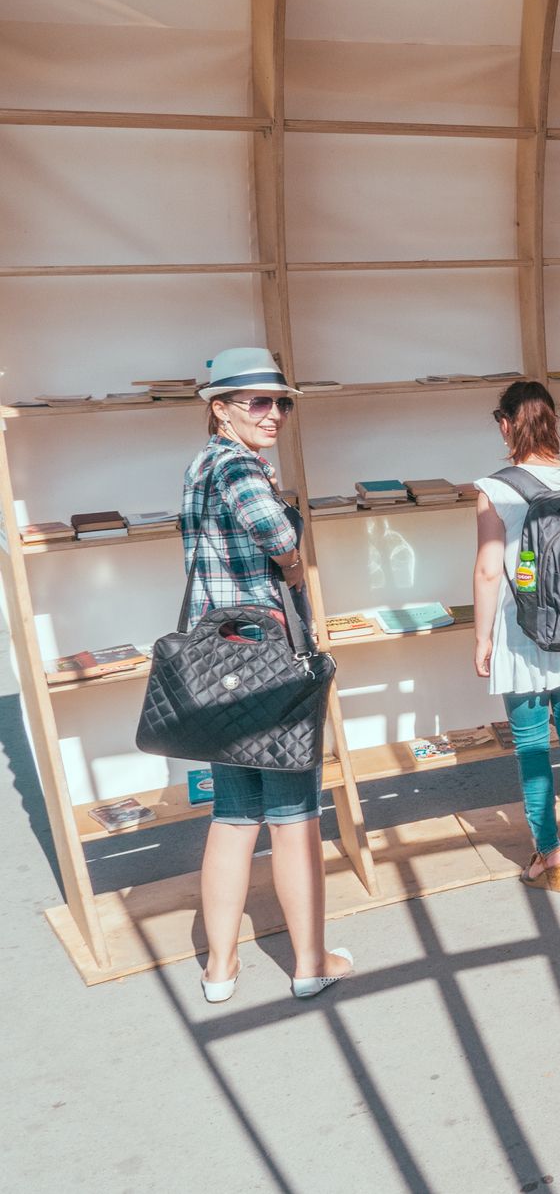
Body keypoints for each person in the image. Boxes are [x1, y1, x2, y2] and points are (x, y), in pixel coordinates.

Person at [188, 346, 354, 1003]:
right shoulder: (237, 465)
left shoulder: (199, 467)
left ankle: (220, 970)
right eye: (258, 400)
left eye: (281, 400)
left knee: (233, 816)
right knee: (293, 816)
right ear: (220, 407)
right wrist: (290, 561)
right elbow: (278, 534)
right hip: (266, 664)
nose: (275, 412)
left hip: (215, 664)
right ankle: (310, 964)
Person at [471, 381, 560, 892]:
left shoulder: (496, 487)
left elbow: (490, 571)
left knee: (531, 747)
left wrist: (482, 637)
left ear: (506, 423)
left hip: (522, 634)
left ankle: (548, 855)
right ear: (554, 421)